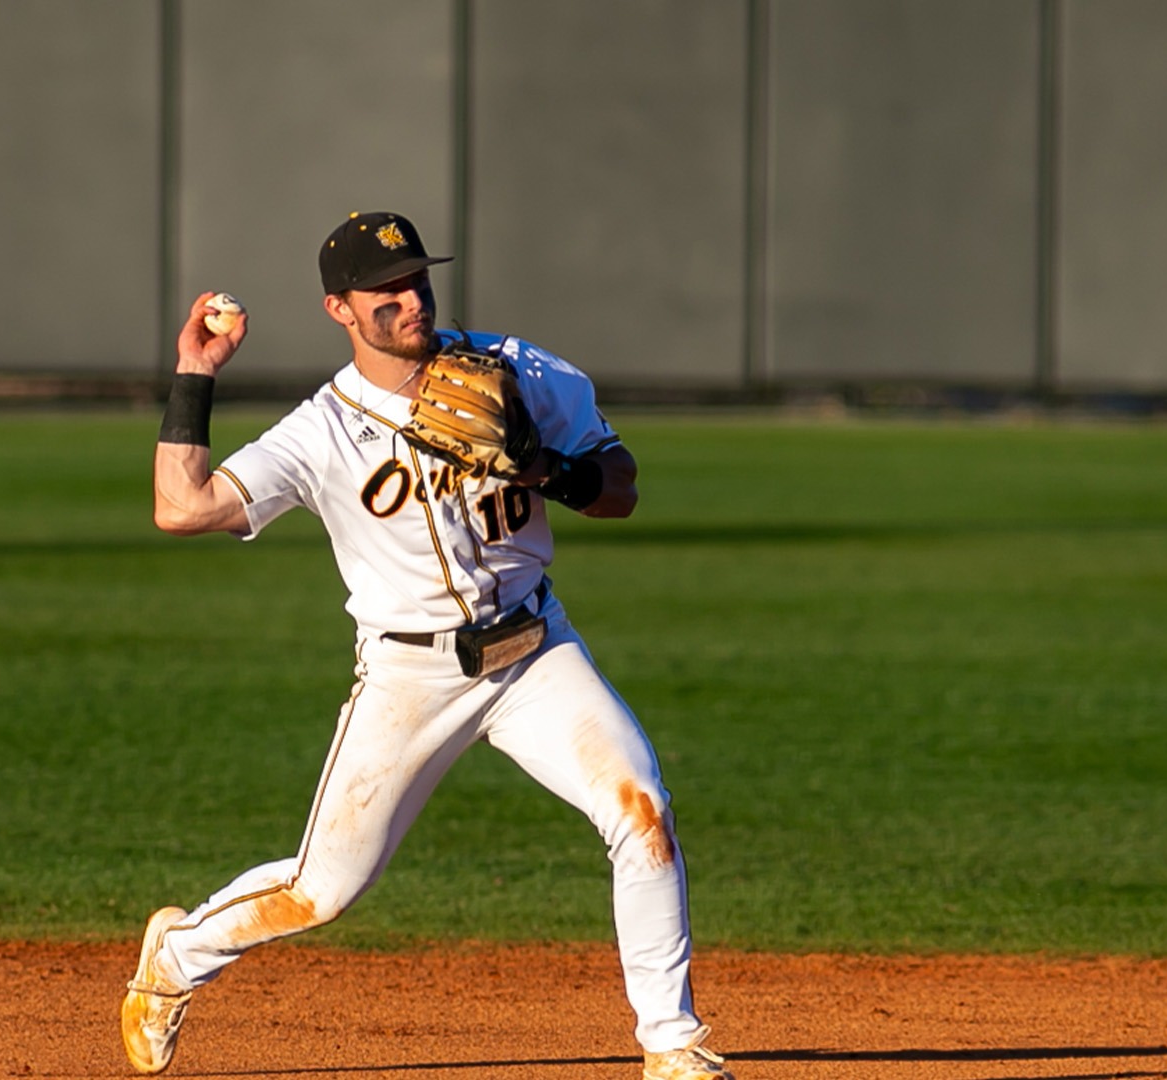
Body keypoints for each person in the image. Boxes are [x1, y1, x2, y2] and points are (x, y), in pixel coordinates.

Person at [123, 211, 734, 1080]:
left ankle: (671, 1045)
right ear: (340, 308)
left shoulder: (515, 370)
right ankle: (177, 956)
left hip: (533, 652)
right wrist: (195, 373)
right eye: (384, 290)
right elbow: (181, 509)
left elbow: (622, 486)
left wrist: (551, 472)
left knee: (642, 811)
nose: (408, 299)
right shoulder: (322, 431)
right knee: (320, 892)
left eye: (415, 279)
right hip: (410, 672)